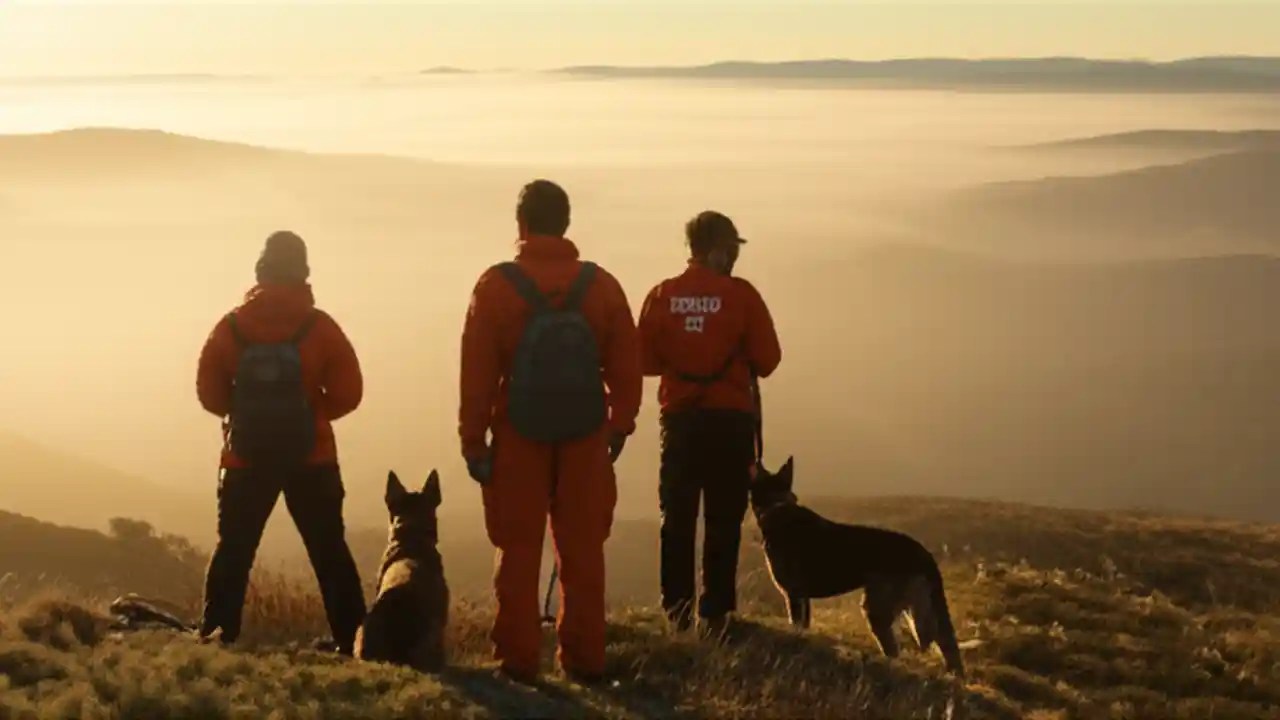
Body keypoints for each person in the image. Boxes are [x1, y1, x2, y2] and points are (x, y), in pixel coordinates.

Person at [459, 180, 642, 683]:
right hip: (586, 436)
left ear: (521, 226)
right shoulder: (601, 286)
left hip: (519, 436)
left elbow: (477, 373)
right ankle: (584, 660)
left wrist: (473, 442)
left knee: (517, 551)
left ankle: (518, 662)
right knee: (583, 551)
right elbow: (627, 365)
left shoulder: (495, 287)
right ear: (566, 224)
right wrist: (619, 424)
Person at [196, 230, 367, 654]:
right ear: (304, 273)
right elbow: (350, 392)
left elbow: (208, 392)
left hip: (244, 458)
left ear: (261, 269)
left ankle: (218, 638)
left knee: (234, 550)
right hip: (312, 456)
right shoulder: (319, 327)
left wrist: (242, 414)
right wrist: (311, 414)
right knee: (329, 551)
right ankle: (356, 641)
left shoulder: (232, 327)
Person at [637, 211, 782, 636]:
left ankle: (676, 612)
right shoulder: (741, 296)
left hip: (680, 422)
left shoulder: (662, 295)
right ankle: (715, 615)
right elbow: (769, 361)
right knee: (723, 520)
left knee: (677, 518)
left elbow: (642, 361)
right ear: (720, 249)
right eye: (734, 247)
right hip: (730, 424)